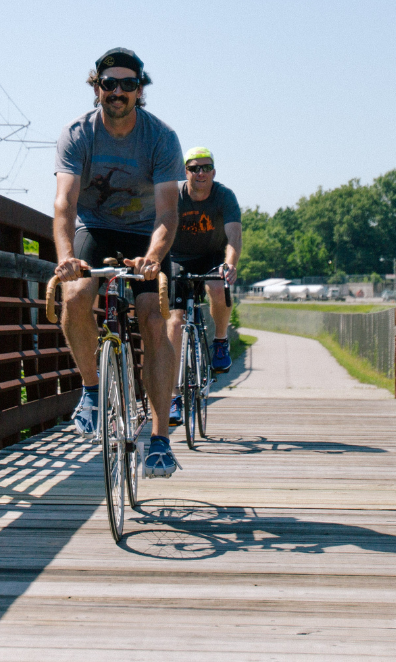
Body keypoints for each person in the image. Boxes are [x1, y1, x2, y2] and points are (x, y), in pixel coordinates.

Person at [52, 48, 186, 478]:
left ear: (140, 90)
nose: (118, 92)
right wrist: (66, 258)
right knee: (76, 297)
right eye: (110, 83)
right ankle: (93, 390)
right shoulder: (78, 133)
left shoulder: (161, 137)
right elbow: (64, 203)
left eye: (129, 84)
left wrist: (154, 257)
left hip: (145, 233)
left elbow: (168, 212)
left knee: (154, 319)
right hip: (96, 226)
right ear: (97, 88)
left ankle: (160, 440)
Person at [167, 147, 241, 425]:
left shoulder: (224, 196)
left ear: (213, 172)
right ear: (184, 172)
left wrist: (229, 264)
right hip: (178, 259)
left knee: (218, 287)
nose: (201, 173)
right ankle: (173, 396)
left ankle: (220, 341)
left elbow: (233, 236)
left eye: (206, 167)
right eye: (194, 168)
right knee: (175, 322)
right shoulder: (174, 196)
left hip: (212, 256)